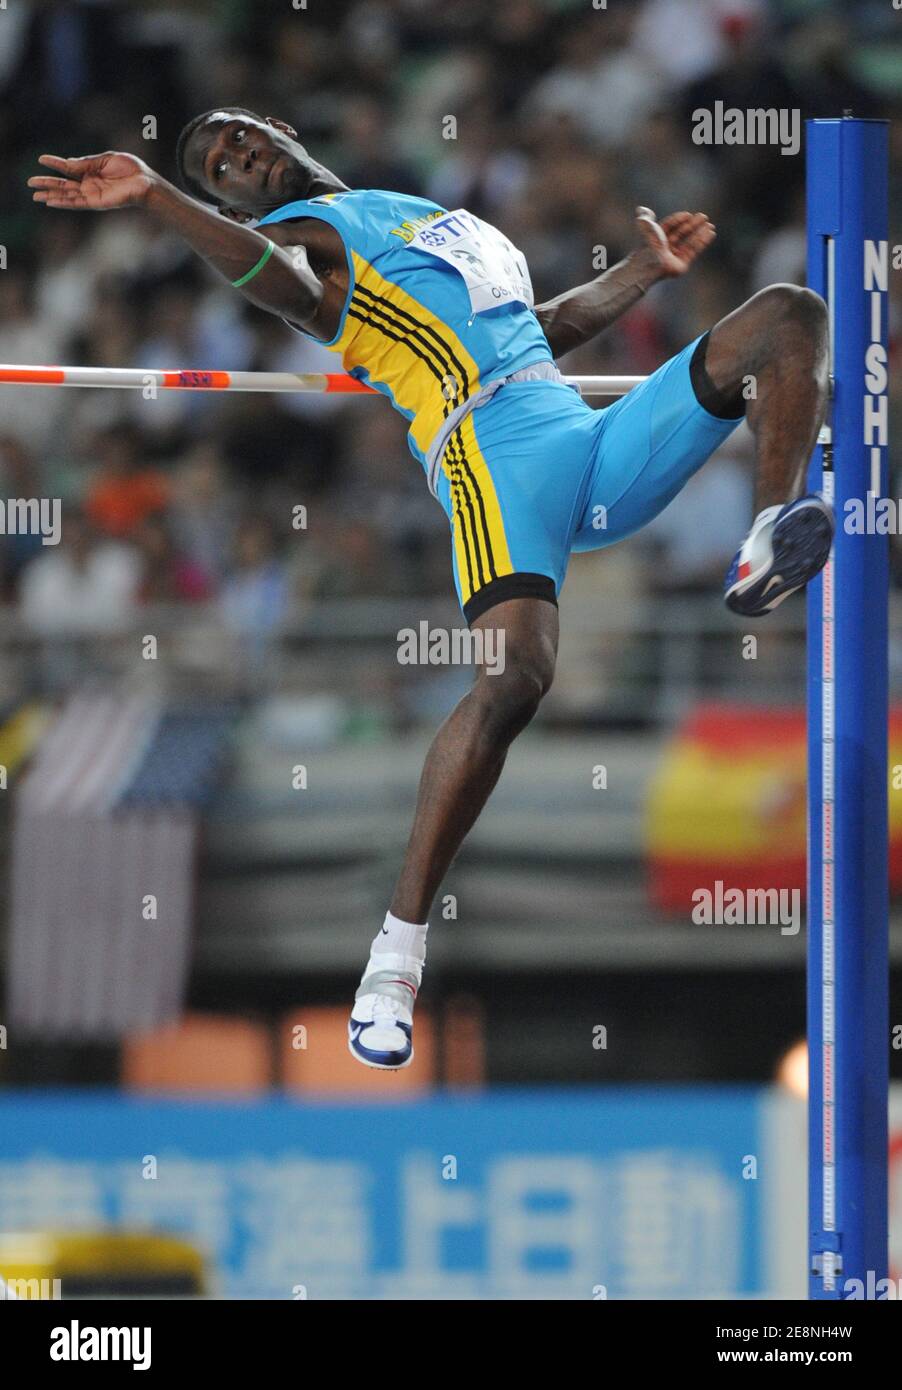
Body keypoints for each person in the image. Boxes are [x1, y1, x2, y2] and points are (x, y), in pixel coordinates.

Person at [29, 109, 832, 1070]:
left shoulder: (418, 214)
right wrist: (158, 199)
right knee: (515, 677)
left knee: (788, 315)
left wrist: (638, 275)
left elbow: (535, 331)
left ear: (279, 131)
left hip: (579, 428)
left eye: (239, 139)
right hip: (489, 454)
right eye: (215, 169)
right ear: (226, 200)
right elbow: (273, 284)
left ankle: (764, 537)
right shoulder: (301, 241)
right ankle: (396, 954)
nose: (235, 159)